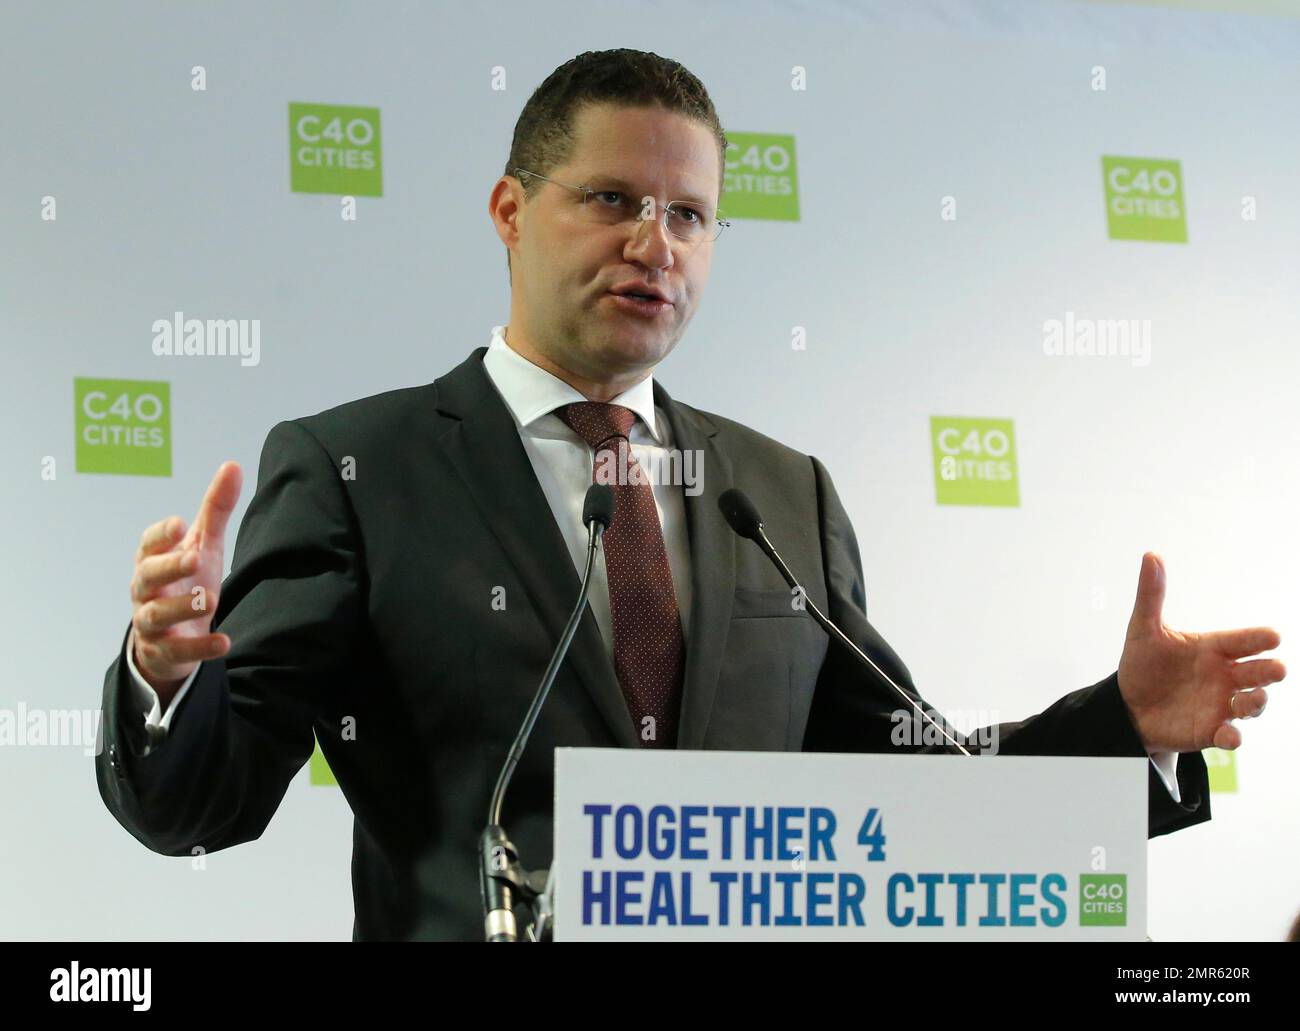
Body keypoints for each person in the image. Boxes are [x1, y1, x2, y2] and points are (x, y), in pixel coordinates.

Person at [96, 49, 1284, 941]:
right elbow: (202, 803)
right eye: (612, 199)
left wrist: (1119, 731)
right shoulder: (361, 467)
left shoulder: (777, 491)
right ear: (510, 212)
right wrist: (167, 672)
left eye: (690, 213)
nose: (655, 243)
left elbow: (908, 797)